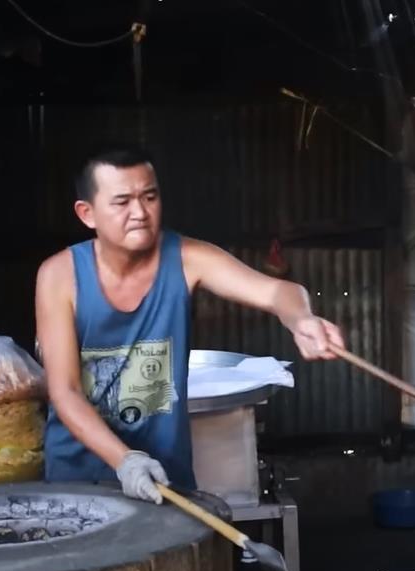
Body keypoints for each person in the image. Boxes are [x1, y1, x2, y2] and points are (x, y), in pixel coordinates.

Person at [35, 144, 345, 503]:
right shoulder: (59, 275)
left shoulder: (187, 258)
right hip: (77, 479)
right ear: (87, 213)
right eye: (122, 202)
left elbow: (278, 292)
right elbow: (64, 391)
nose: (139, 212)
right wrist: (126, 461)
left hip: (167, 477)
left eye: (149, 197)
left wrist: (301, 319)